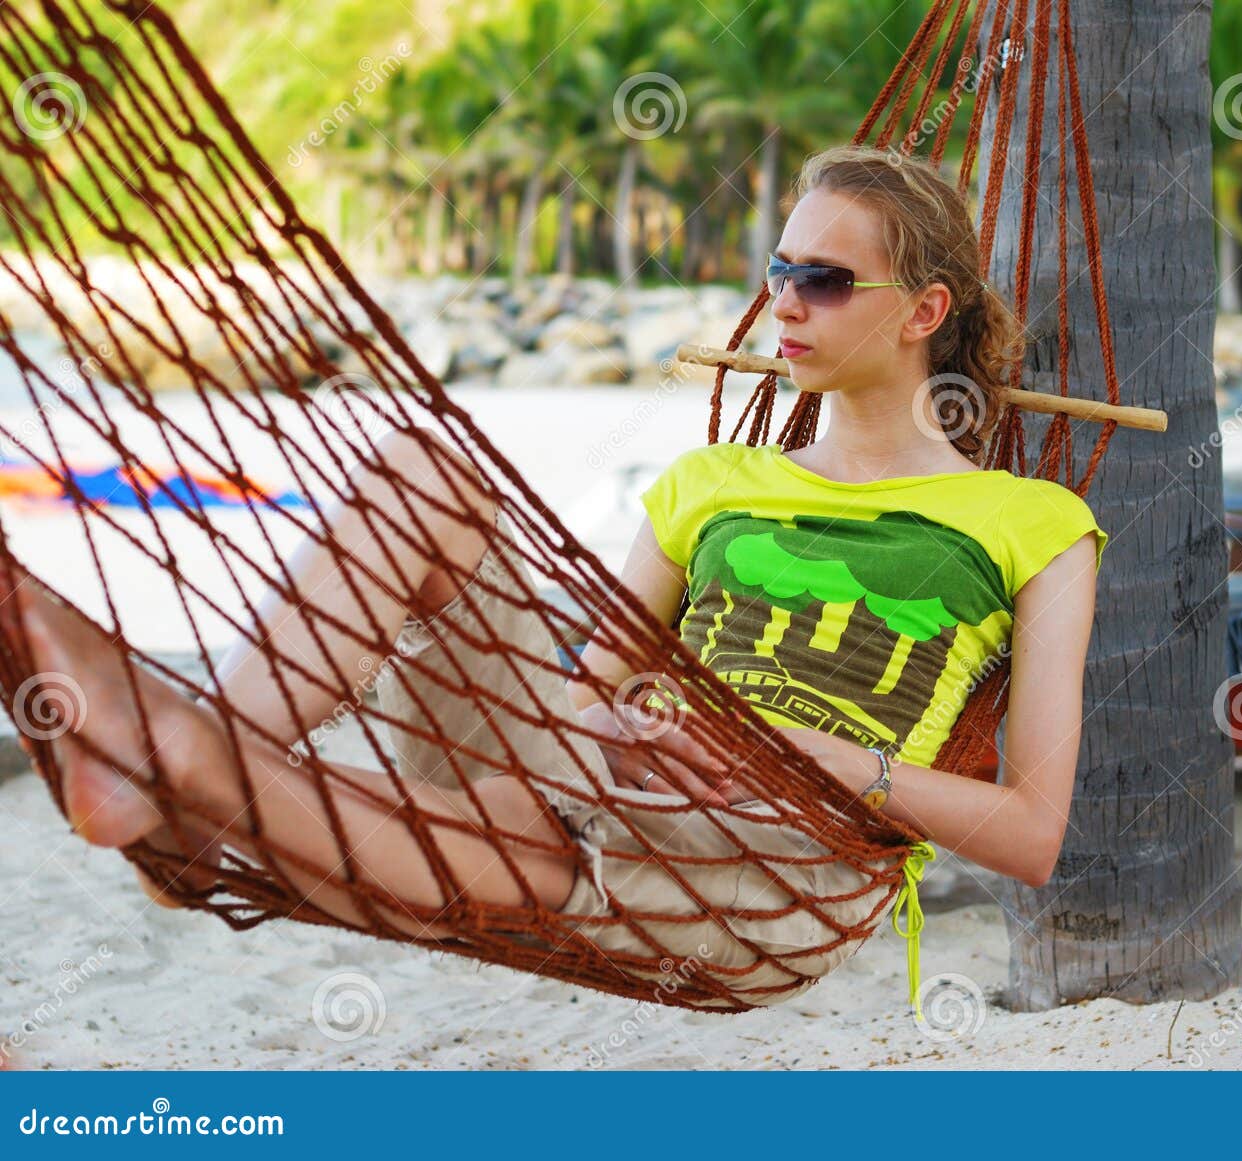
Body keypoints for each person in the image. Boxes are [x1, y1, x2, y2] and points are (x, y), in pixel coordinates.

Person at [2, 144, 1105, 1011]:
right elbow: (586, 691)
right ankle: (200, 785)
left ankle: (190, 766)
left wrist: (830, 761)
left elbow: (1031, 832)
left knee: (528, 849)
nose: (784, 305)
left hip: (782, 865)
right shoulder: (710, 480)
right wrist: (630, 725)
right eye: (778, 273)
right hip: (611, 783)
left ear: (923, 313)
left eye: (821, 280)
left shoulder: (1031, 521)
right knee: (422, 472)